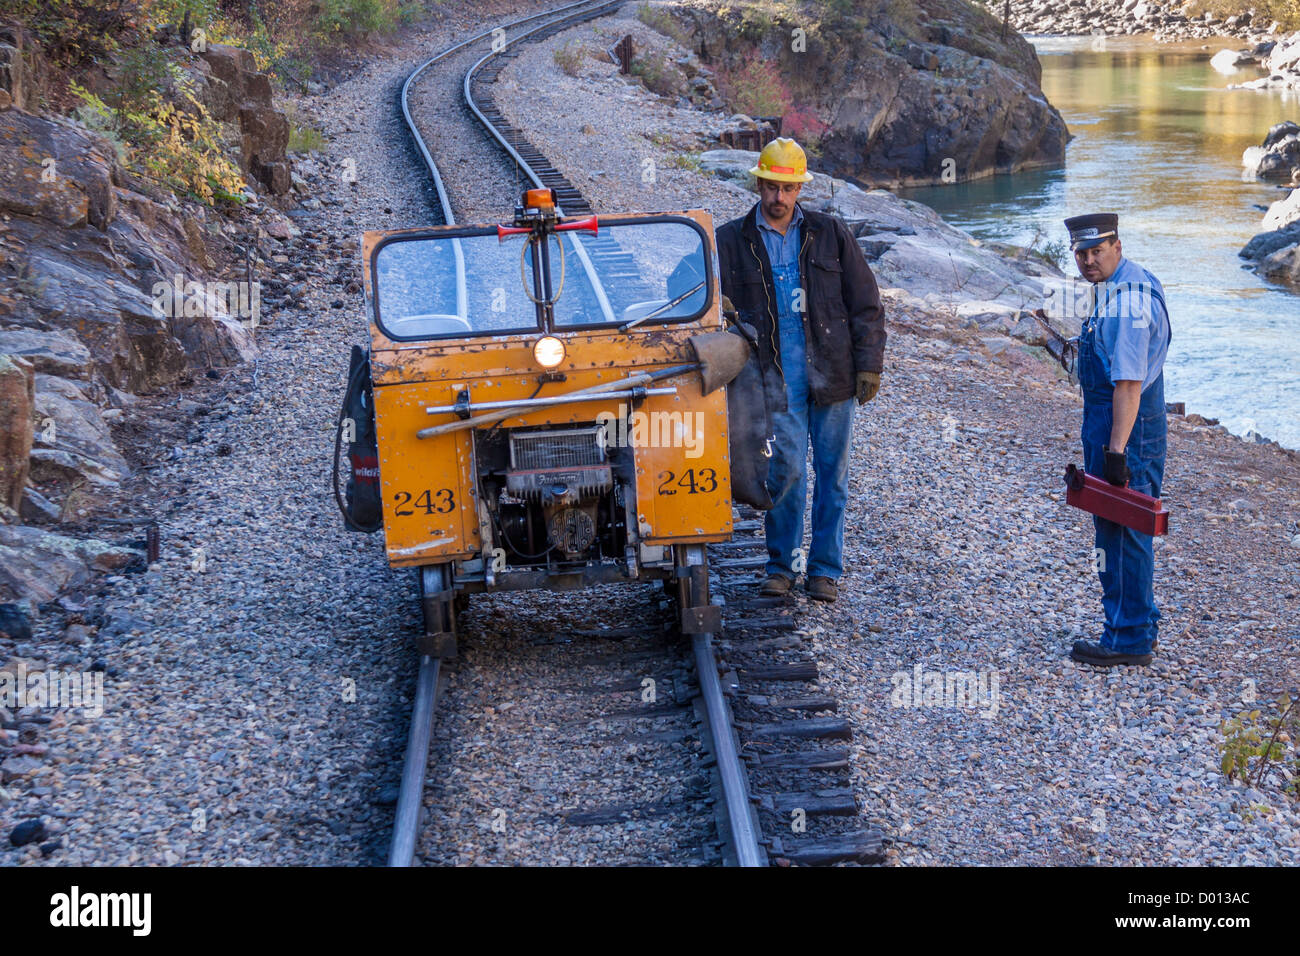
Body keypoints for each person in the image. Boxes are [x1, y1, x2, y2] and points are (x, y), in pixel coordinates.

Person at [715, 138, 886, 603]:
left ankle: (825, 570)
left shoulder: (831, 234)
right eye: (772, 187)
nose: (779, 198)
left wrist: (869, 366)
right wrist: (718, 304)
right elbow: (691, 293)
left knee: (833, 477)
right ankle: (782, 569)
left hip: (834, 376)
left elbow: (867, 305)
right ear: (759, 183)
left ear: (800, 190)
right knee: (785, 475)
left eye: (788, 189)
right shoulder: (730, 241)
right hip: (774, 381)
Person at [1064, 213, 1172, 667]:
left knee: (1121, 528)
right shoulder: (1132, 280)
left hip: (1126, 426)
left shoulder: (1129, 306)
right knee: (1128, 526)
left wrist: (1115, 453)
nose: (1088, 261)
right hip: (1126, 419)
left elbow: (1128, 385)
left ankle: (1127, 638)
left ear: (1117, 246)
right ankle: (1140, 620)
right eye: (1081, 253)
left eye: (1097, 251)